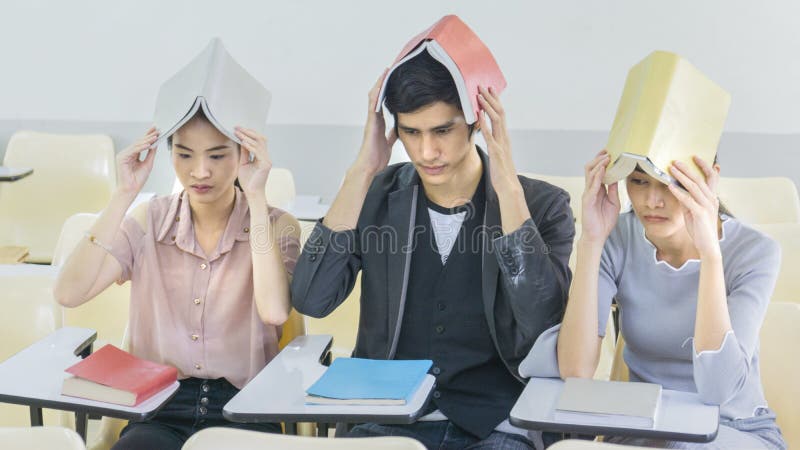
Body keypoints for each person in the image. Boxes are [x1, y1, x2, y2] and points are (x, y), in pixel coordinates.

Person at [290, 50, 575, 449]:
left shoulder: (542, 206)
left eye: (442, 131)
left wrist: (507, 187)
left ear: (478, 121)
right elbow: (311, 298)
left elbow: (545, 322)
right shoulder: (374, 194)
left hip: (496, 424)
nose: (425, 152)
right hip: (385, 420)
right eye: (410, 132)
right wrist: (361, 171)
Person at [54, 111, 301, 450]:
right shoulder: (150, 220)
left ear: (244, 154)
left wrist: (256, 198)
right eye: (184, 154)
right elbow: (69, 292)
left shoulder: (277, 225)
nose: (200, 171)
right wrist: (124, 193)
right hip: (161, 409)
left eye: (217, 155)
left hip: (245, 412)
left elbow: (274, 311)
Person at [531, 149, 787, 449]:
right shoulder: (617, 238)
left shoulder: (756, 252)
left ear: (708, 179)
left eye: (670, 183)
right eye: (639, 182)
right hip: (644, 430)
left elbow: (719, 389)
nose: (652, 201)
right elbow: (575, 369)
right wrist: (591, 240)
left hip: (731, 429)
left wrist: (710, 254)